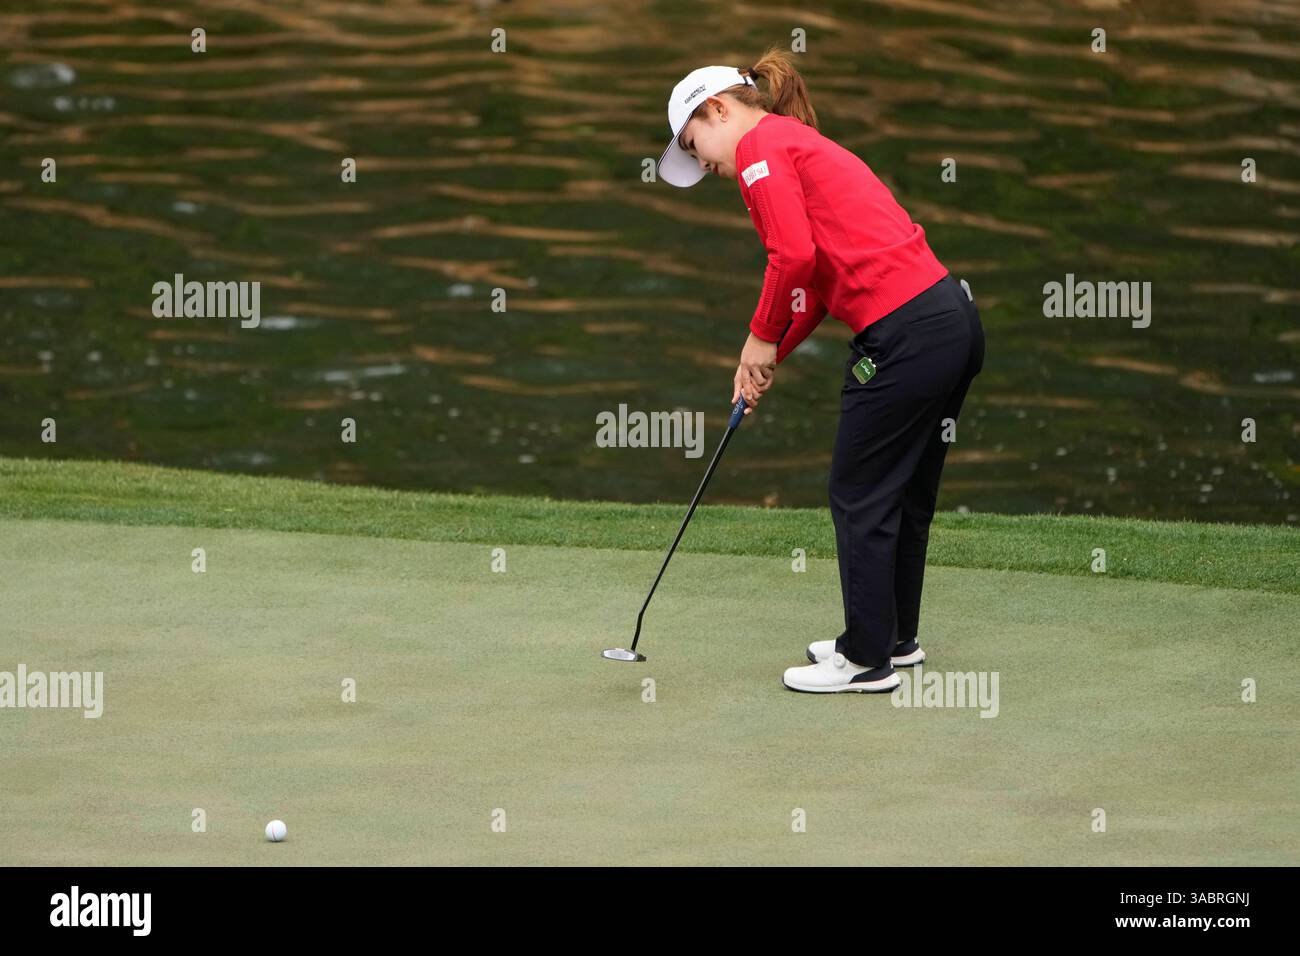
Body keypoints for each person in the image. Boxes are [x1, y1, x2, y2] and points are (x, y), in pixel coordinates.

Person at [655, 48, 985, 694]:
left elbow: (793, 256)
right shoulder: (793, 142)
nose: (705, 165)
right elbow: (819, 285)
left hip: (906, 338)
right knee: (904, 492)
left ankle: (865, 659)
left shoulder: (757, 152)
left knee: (857, 491)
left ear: (719, 109)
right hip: (953, 322)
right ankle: (894, 638)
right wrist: (771, 348)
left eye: (696, 147)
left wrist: (756, 339)